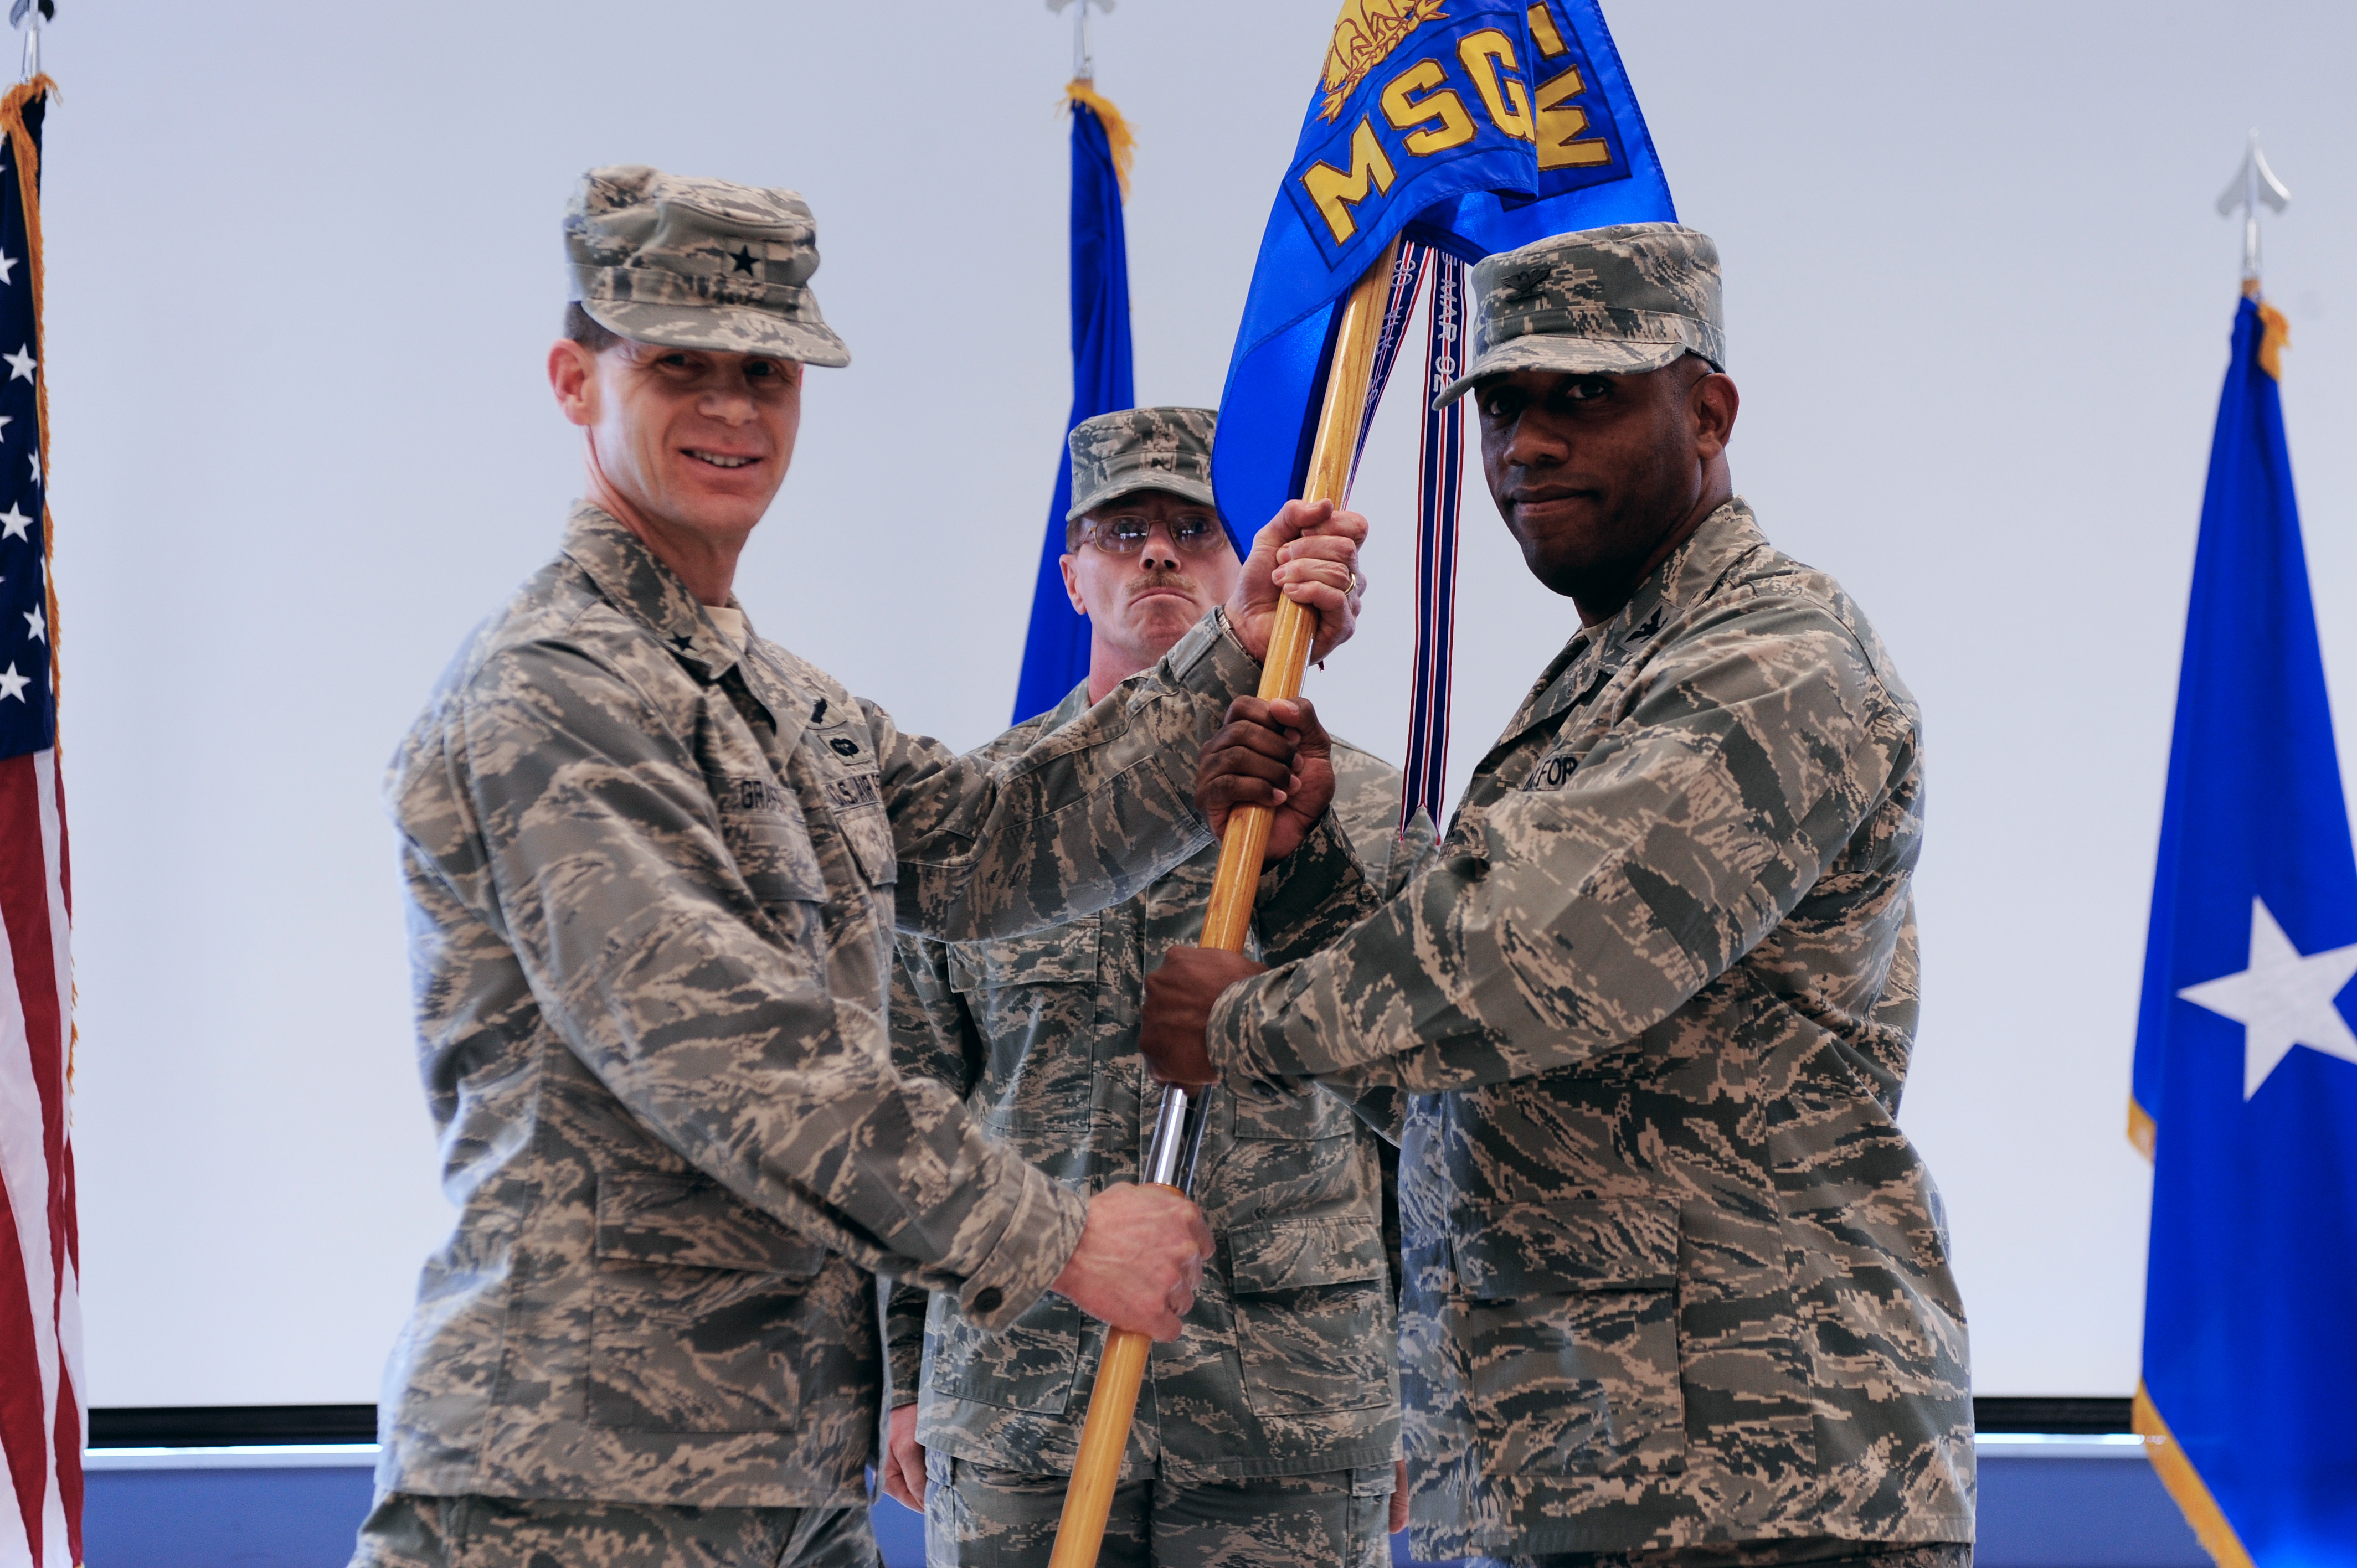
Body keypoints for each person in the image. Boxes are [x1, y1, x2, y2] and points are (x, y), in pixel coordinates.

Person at [349, 166, 1367, 1568]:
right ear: (575, 379)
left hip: (772, 1471)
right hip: (577, 1481)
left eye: (766, 370)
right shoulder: (555, 691)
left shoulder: (770, 695)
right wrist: (1058, 1236)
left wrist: (1230, 655)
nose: (731, 407)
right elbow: (728, 1053)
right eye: (679, 365)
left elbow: (993, 837)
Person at [1138, 224, 1974, 1568]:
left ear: (1707, 412)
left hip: (1757, 1486)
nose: (1525, 445)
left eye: (1583, 397)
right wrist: (1309, 874)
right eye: (1504, 406)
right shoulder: (1614, 664)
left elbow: (1544, 957)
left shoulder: (1774, 659)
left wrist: (1245, 1022)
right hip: (1554, 1464)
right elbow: (1482, 1041)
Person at [881, 408, 1422, 1568]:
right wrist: (895, 1379)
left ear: (1244, 564)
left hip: (1289, 1406)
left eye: (1194, 526)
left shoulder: (1362, 811)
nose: (1161, 555)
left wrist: (1425, 1376)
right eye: (1124, 532)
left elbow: (1424, 1120)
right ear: (1070, 575)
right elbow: (908, 1102)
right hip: (1023, 1387)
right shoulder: (980, 830)